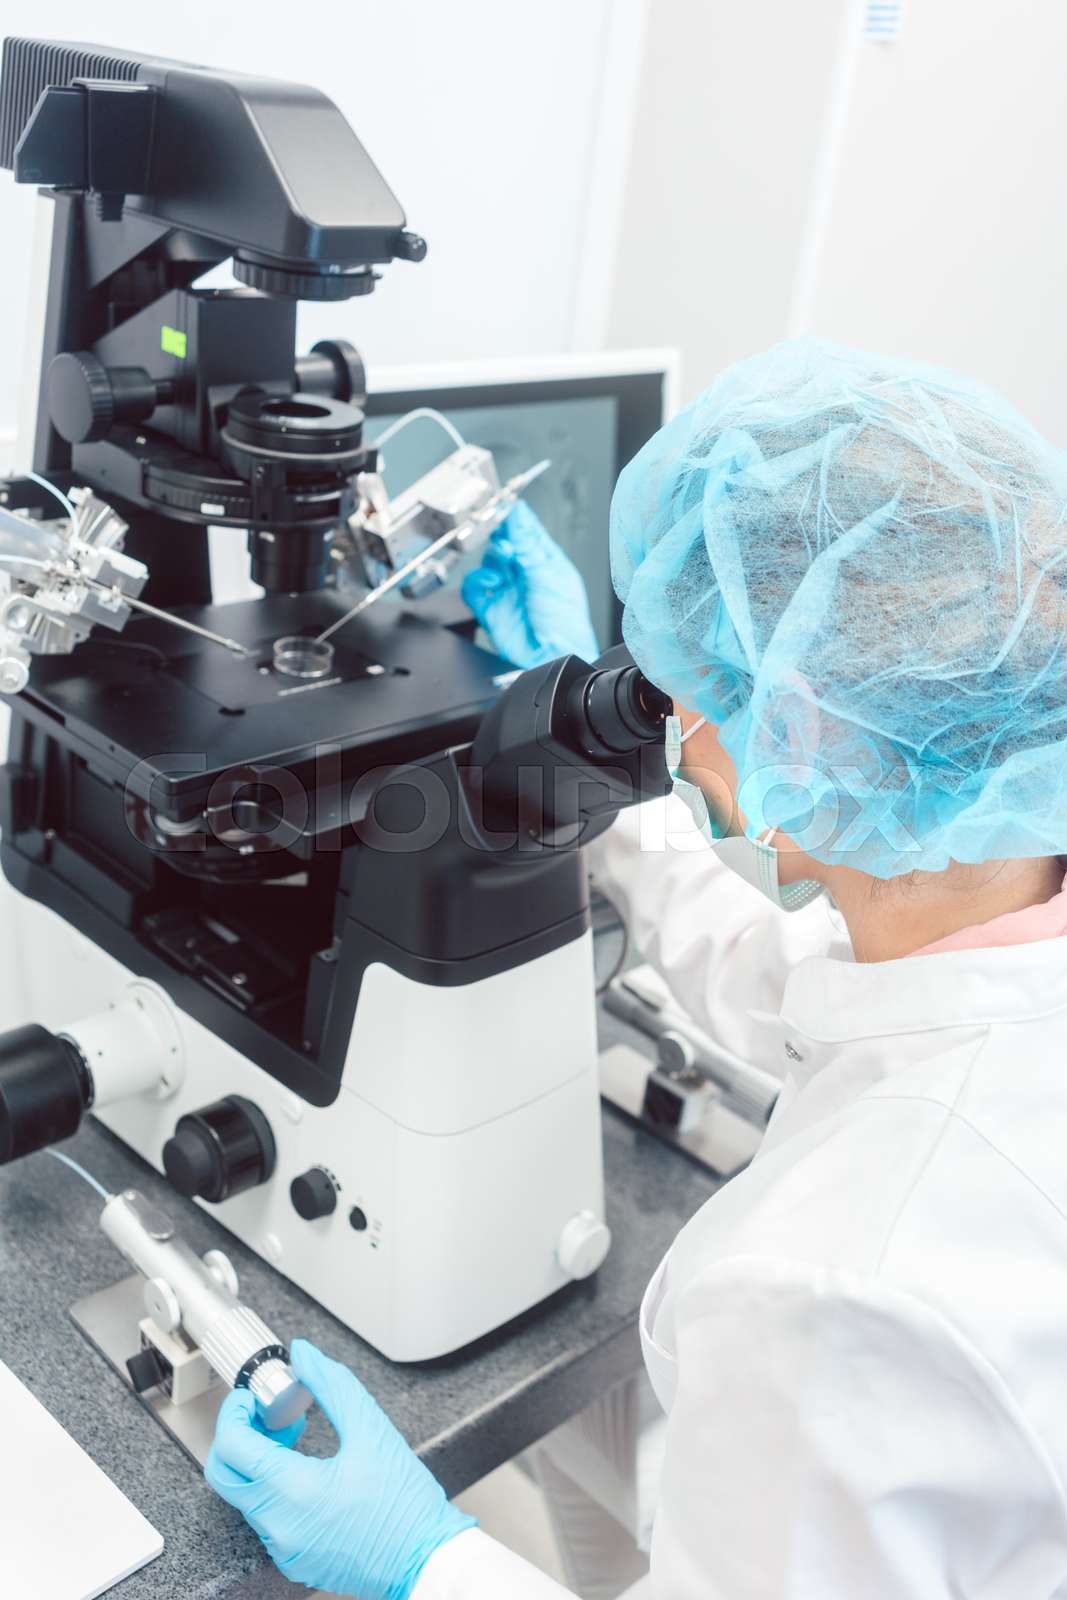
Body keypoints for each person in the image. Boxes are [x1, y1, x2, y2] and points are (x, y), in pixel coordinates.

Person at [206, 339, 1067, 1599]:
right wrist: (602, 798)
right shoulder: (980, 919)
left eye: (689, 689)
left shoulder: (834, 1283)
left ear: (804, 730)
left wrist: (421, 1561)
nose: (664, 720)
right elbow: (808, 985)